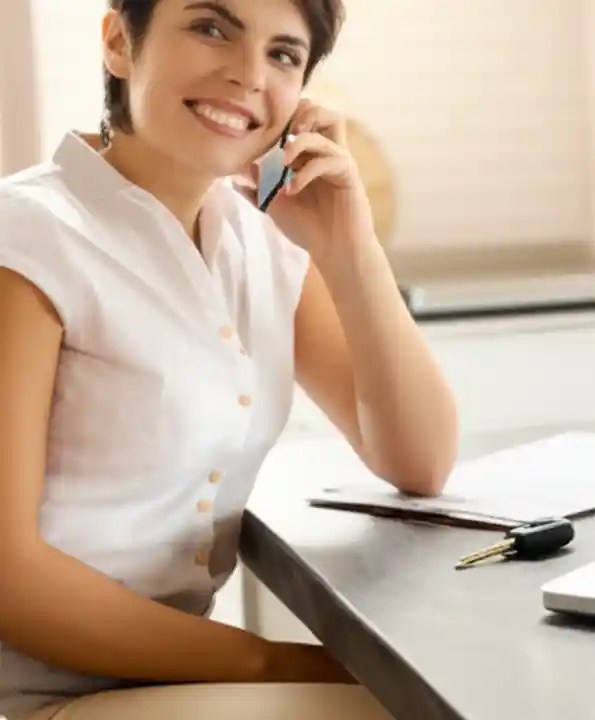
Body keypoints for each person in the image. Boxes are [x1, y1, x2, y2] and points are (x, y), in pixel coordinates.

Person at [0, 0, 459, 717]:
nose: (248, 75)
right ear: (121, 42)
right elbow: (9, 578)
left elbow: (418, 460)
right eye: (211, 27)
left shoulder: (261, 243)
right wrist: (284, 663)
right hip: (39, 697)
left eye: (282, 54)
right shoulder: (25, 240)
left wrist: (350, 244)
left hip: (174, 685)